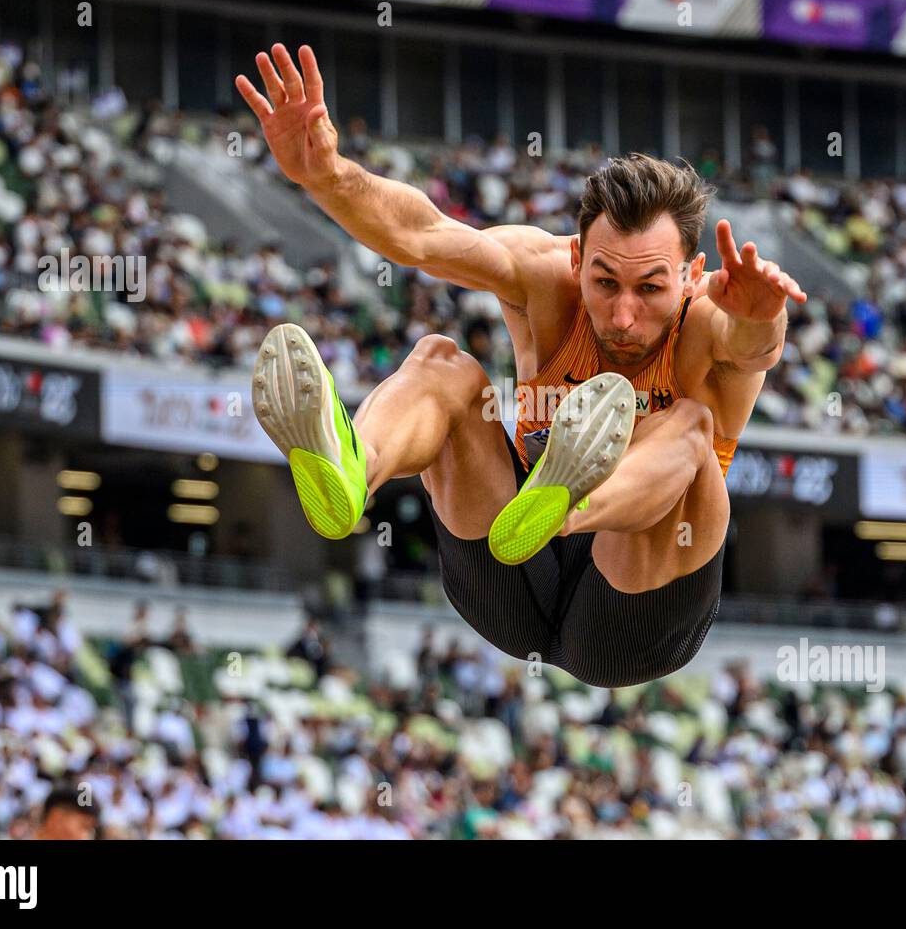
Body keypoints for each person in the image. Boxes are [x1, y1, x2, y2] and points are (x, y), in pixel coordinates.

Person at [236, 44, 805, 688]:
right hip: (508, 577)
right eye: (603, 282)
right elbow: (423, 236)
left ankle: (570, 503)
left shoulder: (711, 319)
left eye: (649, 289)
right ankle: (350, 471)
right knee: (440, 363)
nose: (622, 316)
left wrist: (763, 313)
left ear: (690, 275)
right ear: (575, 260)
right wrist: (327, 175)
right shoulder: (543, 278)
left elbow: (755, 346)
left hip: (633, 620)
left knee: (692, 425)